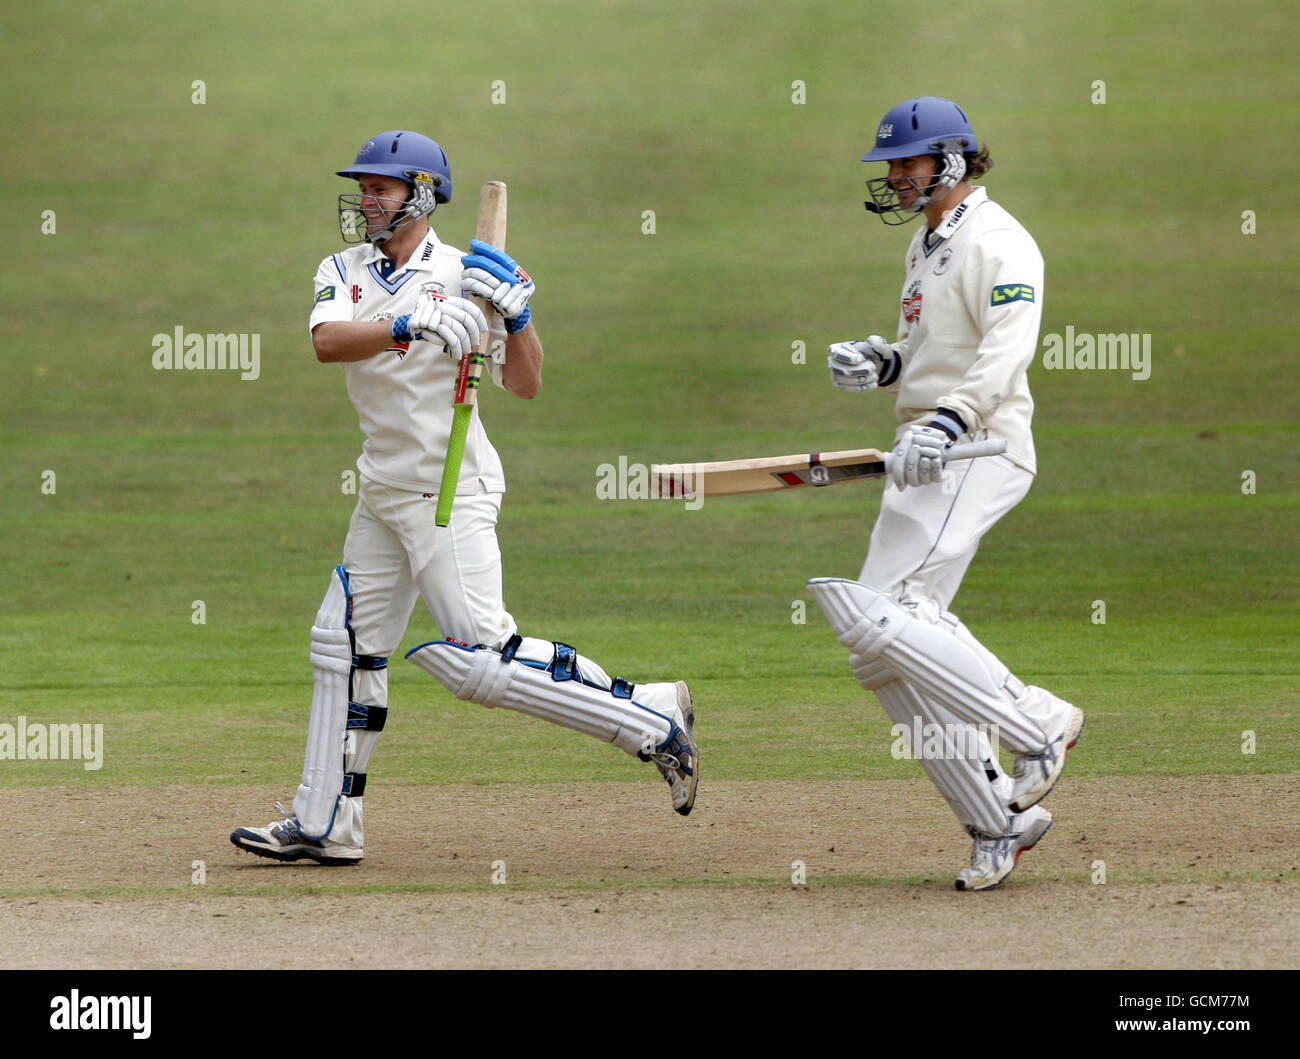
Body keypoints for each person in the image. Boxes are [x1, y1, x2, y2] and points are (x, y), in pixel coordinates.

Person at [232, 131, 697, 865]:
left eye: (381, 187)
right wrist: (406, 324)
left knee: (481, 657)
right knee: (343, 645)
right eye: (364, 187)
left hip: (451, 488)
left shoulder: (464, 272)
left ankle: (651, 714)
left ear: (421, 192)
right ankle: (325, 821)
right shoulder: (343, 267)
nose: (366, 198)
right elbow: (327, 342)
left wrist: (516, 317)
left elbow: (526, 383)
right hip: (382, 487)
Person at [806, 97, 1084, 891]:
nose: (894, 177)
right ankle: (998, 818)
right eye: (891, 165)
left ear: (952, 161)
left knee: (883, 615)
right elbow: (933, 347)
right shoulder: (931, 246)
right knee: (881, 649)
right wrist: (884, 362)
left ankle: (1039, 723)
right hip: (923, 456)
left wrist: (949, 419)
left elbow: (1008, 349)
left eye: (907, 163)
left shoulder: (1000, 240)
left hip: (978, 450)